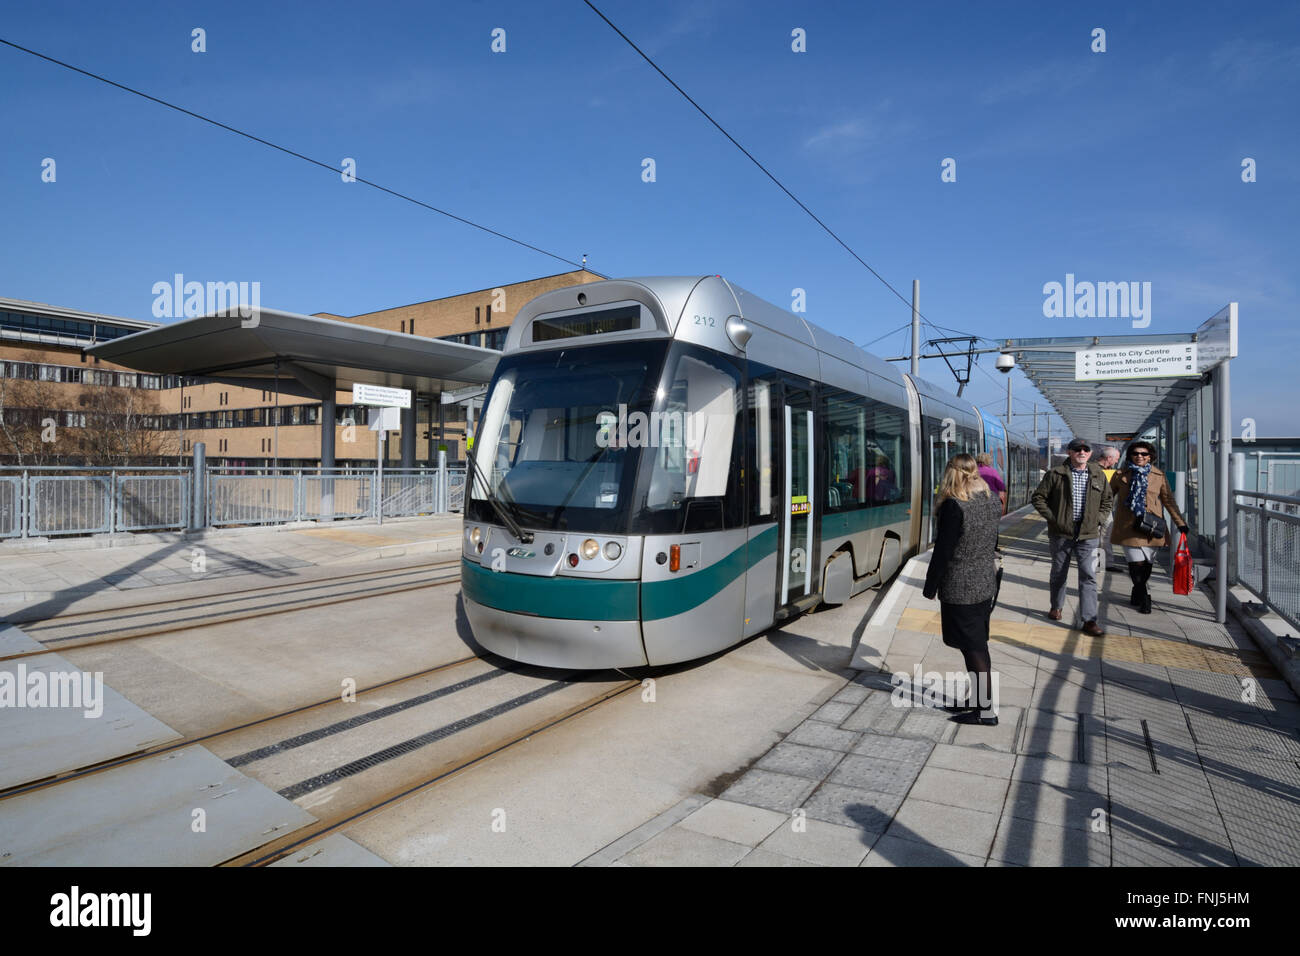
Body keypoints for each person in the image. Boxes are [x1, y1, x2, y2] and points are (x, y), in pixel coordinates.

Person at [922, 454, 1003, 726]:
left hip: (961, 585)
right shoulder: (991, 499)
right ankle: (981, 701)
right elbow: (994, 538)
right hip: (984, 581)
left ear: (952, 473)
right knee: (978, 645)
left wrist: (930, 586)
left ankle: (985, 711)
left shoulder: (954, 505)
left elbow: (943, 551)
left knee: (972, 648)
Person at [1031, 437, 1113, 636]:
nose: (1082, 452)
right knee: (1059, 573)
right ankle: (1056, 606)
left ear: (1091, 454)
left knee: (1089, 576)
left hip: (1089, 535)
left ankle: (1089, 620)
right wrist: (1053, 519)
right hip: (1061, 534)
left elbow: (1107, 501)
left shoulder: (1098, 475)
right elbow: (1038, 498)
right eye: (1078, 449)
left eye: (1086, 449)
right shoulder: (1055, 474)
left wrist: (1099, 520)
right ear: (1070, 452)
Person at [1110, 440, 1188, 614]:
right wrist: (1098, 518)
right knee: (1135, 562)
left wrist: (1180, 523)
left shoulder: (1158, 475)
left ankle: (1137, 591)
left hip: (1151, 527)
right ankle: (1145, 597)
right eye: (1136, 453)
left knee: (1147, 565)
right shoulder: (1120, 474)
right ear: (1130, 456)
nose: (1140, 456)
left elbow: (1168, 501)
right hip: (1128, 526)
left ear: (1150, 457)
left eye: (1144, 454)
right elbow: (1107, 497)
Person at [1096, 445, 1122, 571]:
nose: (1117, 461)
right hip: (1095, 509)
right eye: (1116, 458)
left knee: (1105, 535)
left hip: (1107, 509)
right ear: (1109, 458)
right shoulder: (1092, 470)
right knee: (1098, 536)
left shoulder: (1113, 472)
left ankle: (1105, 563)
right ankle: (1100, 563)